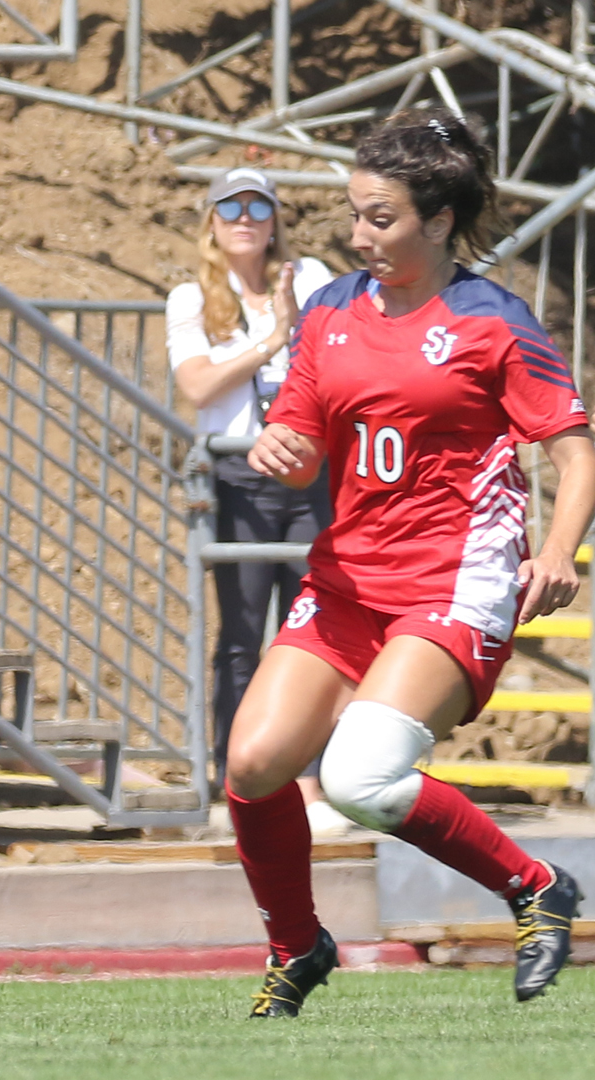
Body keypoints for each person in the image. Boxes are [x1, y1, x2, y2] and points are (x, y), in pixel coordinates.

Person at [231, 108, 592, 1017]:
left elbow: (576, 451)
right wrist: (279, 445)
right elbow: (305, 440)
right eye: (355, 214)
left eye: (381, 218)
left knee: (358, 778)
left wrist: (557, 550)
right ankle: (297, 946)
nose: (361, 236)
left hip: (455, 578)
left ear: (437, 220)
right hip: (349, 576)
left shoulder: (491, 322)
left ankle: (535, 886)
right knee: (255, 763)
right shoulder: (331, 308)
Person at [165, 168, 348, 836]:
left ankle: (312, 778)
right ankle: (239, 779)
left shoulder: (314, 275)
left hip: (308, 468)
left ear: (275, 219)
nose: (245, 217)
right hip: (237, 474)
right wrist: (274, 337)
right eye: (230, 206)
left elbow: (341, 355)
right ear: (211, 222)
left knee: (320, 629)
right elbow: (200, 388)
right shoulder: (192, 297)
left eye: (258, 206)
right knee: (242, 634)